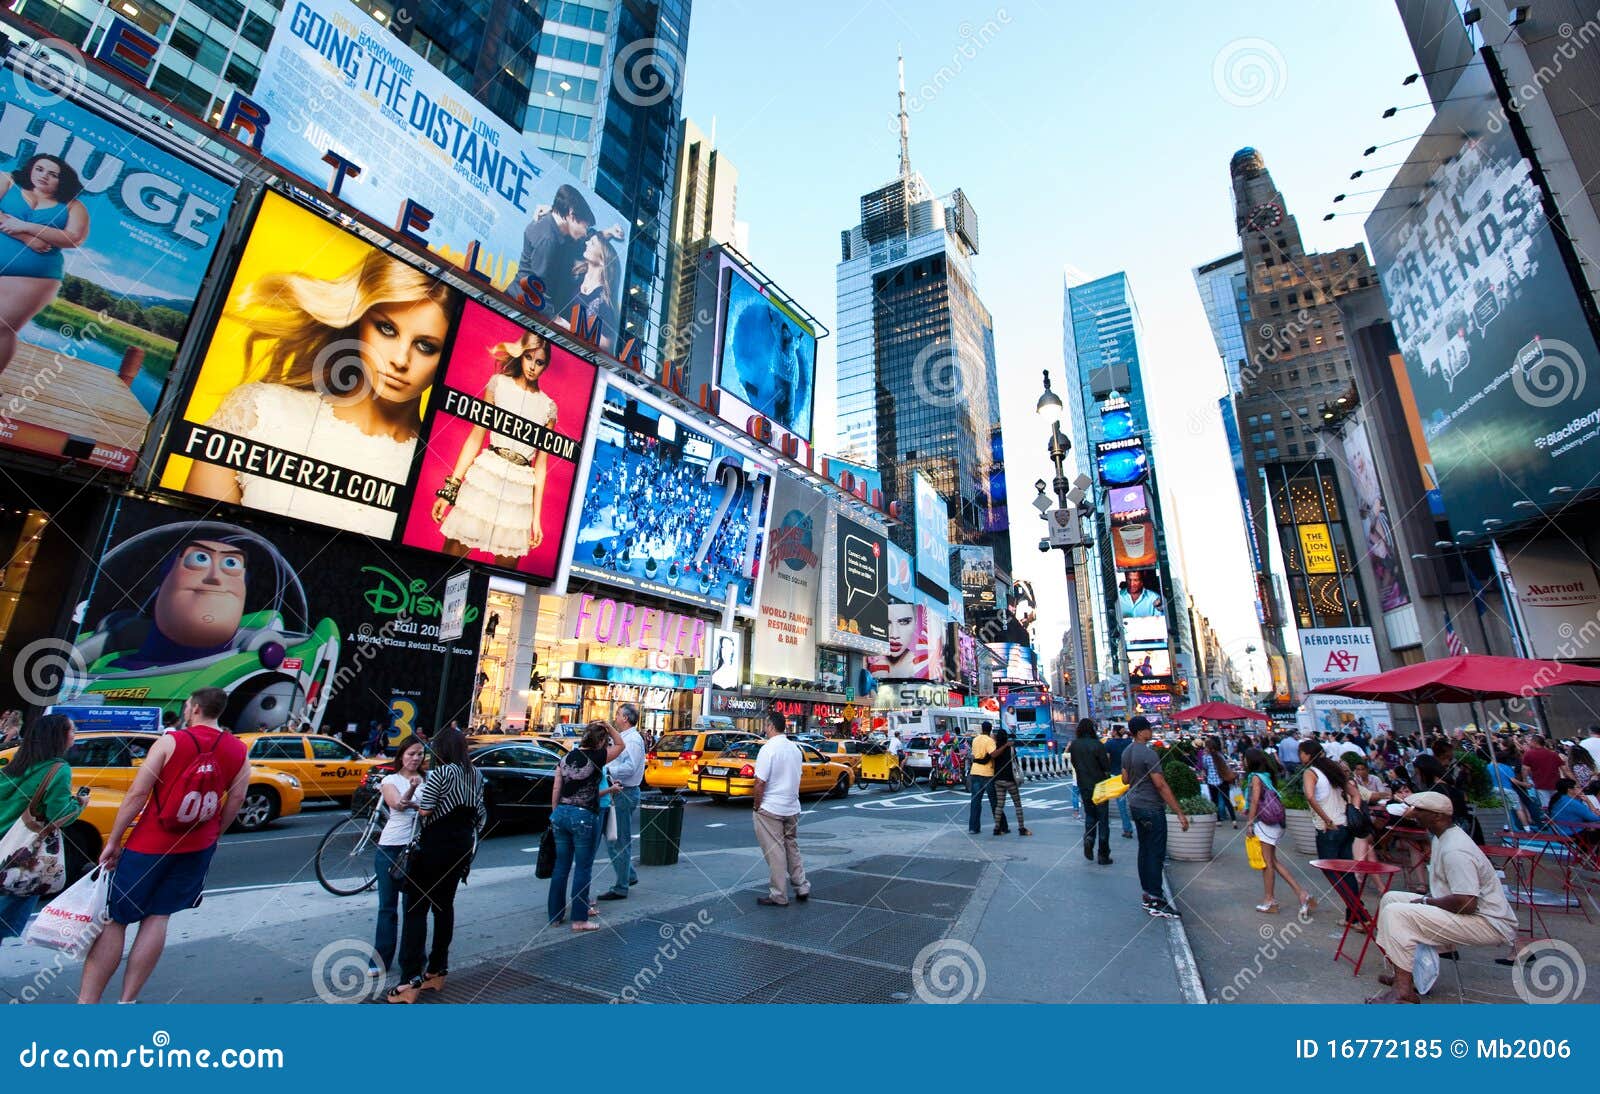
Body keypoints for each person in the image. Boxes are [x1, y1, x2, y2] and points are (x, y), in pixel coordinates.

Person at [183, 251, 457, 537]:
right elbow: (199, 543)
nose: (400, 359)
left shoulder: (444, 471)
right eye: (386, 328)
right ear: (359, 321)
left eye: (426, 346)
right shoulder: (257, 412)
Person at [79, 688, 249, 1003]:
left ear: (195, 708)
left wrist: (114, 841)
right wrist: (215, 834)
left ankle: (88, 1003)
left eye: (187, 706)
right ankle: (127, 1001)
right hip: (197, 846)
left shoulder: (170, 742)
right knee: (158, 917)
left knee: (115, 918)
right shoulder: (238, 749)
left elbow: (137, 795)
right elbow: (237, 798)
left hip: (149, 844)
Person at [1370, 792, 1517, 1004]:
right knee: (1391, 899)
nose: (1412, 813)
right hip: (1469, 913)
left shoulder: (1456, 849)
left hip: (1488, 922)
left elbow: (1466, 903)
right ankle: (1404, 978)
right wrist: (1427, 901)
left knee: (1396, 913)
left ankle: (1403, 991)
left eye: (1419, 810)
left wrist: (1426, 901)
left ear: (1437, 816)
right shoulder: (1443, 836)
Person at [431, 329, 558, 568]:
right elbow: (476, 436)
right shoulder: (499, 384)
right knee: (449, 562)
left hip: (520, 486)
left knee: (505, 576)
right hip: (487, 474)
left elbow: (541, 466)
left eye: (539, 362)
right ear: (521, 355)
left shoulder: (548, 407)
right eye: (528, 357)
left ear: (546, 365)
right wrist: (450, 490)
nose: (532, 366)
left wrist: (536, 519)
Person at [384, 728, 486, 1002]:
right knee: (444, 906)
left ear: (441, 750)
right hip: (461, 845)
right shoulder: (475, 773)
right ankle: (437, 970)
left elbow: (426, 808)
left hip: (434, 845)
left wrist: (414, 805)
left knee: (416, 909)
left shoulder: (441, 773)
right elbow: (481, 813)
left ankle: (409, 981)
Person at [0, 154, 89, 375]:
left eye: (53, 174)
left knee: (3, 328)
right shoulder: (7, 180)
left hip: (34, 276)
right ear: (31, 168)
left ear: (62, 180)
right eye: (39, 169)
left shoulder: (74, 206)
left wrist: (27, 227)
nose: (44, 176)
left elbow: (74, 238)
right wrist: (26, 238)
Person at [0, 714, 83, 943]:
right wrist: (78, 804)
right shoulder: (59, 769)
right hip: (17, 855)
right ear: (58, 736)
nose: (75, 736)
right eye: (72, 731)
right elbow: (60, 815)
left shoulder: (16, 763)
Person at [545, 720, 624, 930]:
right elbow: (620, 745)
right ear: (601, 741)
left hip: (561, 813)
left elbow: (556, 789)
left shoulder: (565, 758)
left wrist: (555, 813)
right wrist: (609, 726)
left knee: (561, 866)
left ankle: (555, 915)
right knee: (583, 867)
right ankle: (579, 919)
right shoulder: (598, 756)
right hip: (584, 814)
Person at [1121, 716, 1187, 918]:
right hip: (1151, 806)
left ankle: (1148, 894)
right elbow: (1160, 785)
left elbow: (1125, 779)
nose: (1151, 731)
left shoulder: (1126, 751)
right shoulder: (1149, 754)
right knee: (1156, 852)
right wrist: (1179, 812)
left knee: (1145, 849)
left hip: (1135, 805)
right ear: (1141, 732)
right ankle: (1156, 898)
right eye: (1149, 728)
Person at [369, 736, 423, 977]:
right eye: (411, 753)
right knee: (387, 907)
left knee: (413, 907)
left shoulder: (429, 779)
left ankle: (412, 958)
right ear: (401, 755)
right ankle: (380, 959)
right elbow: (397, 804)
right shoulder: (390, 780)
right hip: (391, 847)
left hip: (416, 849)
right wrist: (412, 790)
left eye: (420, 754)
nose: (415, 758)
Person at [1240, 748, 1313, 916]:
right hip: (1274, 823)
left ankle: (1270, 900)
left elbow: (1255, 800)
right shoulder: (1266, 776)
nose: (1243, 761)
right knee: (1272, 861)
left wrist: (1249, 822)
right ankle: (1301, 894)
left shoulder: (1256, 777)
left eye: (1245, 758)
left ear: (1251, 761)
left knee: (1267, 864)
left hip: (1265, 824)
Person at [1300, 740, 1363, 927]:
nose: (1300, 756)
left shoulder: (1311, 773)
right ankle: (1353, 917)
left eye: (1301, 753)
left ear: (1308, 754)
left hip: (1328, 828)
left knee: (1331, 871)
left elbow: (1310, 796)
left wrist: (1326, 819)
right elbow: (1355, 793)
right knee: (1347, 872)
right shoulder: (1332, 770)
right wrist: (1354, 811)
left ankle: (1359, 913)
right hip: (1345, 825)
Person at [752, 709, 809, 907]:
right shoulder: (795, 749)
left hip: (771, 807)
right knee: (791, 846)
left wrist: (757, 805)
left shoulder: (768, 749)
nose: (764, 729)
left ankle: (779, 894)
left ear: (770, 726)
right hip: (792, 806)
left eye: (765, 725)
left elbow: (760, 782)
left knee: (775, 851)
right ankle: (801, 886)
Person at [596, 703, 645, 902]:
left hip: (624, 792)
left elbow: (630, 767)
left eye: (617, 714)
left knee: (617, 841)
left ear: (625, 718)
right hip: (620, 791)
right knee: (614, 838)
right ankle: (628, 875)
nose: (615, 717)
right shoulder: (625, 738)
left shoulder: (632, 740)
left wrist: (608, 770)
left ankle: (621, 886)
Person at [1068, 717, 1113, 864]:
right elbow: (1106, 766)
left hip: (1084, 785)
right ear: (1092, 729)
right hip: (1099, 786)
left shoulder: (1074, 745)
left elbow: (1074, 764)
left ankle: (1089, 838)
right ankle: (1103, 854)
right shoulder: (1097, 744)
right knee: (1103, 819)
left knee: (1090, 815)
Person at [988, 727, 1029, 837]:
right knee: (1017, 804)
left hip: (998, 780)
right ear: (1006, 737)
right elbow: (1015, 763)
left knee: (999, 805)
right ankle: (1021, 828)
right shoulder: (1010, 748)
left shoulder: (994, 747)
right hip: (1010, 780)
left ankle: (997, 828)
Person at [1547, 778, 1600, 848]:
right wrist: (1588, 802)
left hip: (1557, 833)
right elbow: (1594, 818)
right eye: (1578, 787)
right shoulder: (1572, 803)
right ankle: (1590, 853)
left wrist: (1587, 801)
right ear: (1569, 790)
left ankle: (1586, 853)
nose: (1581, 789)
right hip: (1571, 834)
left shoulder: (1559, 799)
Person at [967, 720, 998, 836]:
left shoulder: (975, 739)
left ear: (981, 729)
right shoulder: (989, 741)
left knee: (975, 801)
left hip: (975, 771)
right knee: (994, 801)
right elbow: (993, 754)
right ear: (990, 729)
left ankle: (973, 828)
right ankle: (1000, 825)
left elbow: (974, 755)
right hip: (987, 773)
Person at [1104, 725, 1134, 839]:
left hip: (1116, 776)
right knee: (1135, 801)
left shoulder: (1109, 744)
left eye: (1112, 730)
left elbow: (1106, 760)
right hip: (1131, 775)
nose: (1111, 732)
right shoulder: (1129, 742)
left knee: (1121, 805)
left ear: (1115, 732)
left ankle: (1127, 829)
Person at [1201, 736, 1238, 828]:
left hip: (1211, 781)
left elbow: (1205, 767)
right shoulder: (1220, 755)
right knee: (1227, 800)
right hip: (1222, 780)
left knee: (1215, 801)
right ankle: (1234, 820)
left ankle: (1218, 820)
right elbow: (1226, 765)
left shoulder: (1206, 757)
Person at [1520, 736, 1563, 808]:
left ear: (1535, 742)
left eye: (1530, 741)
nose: (1529, 743)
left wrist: (1525, 781)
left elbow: (1525, 769)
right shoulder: (1553, 754)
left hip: (1541, 785)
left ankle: (1550, 815)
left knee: (1546, 806)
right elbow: (1564, 768)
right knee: (1559, 804)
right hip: (1556, 784)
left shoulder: (1529, 754)